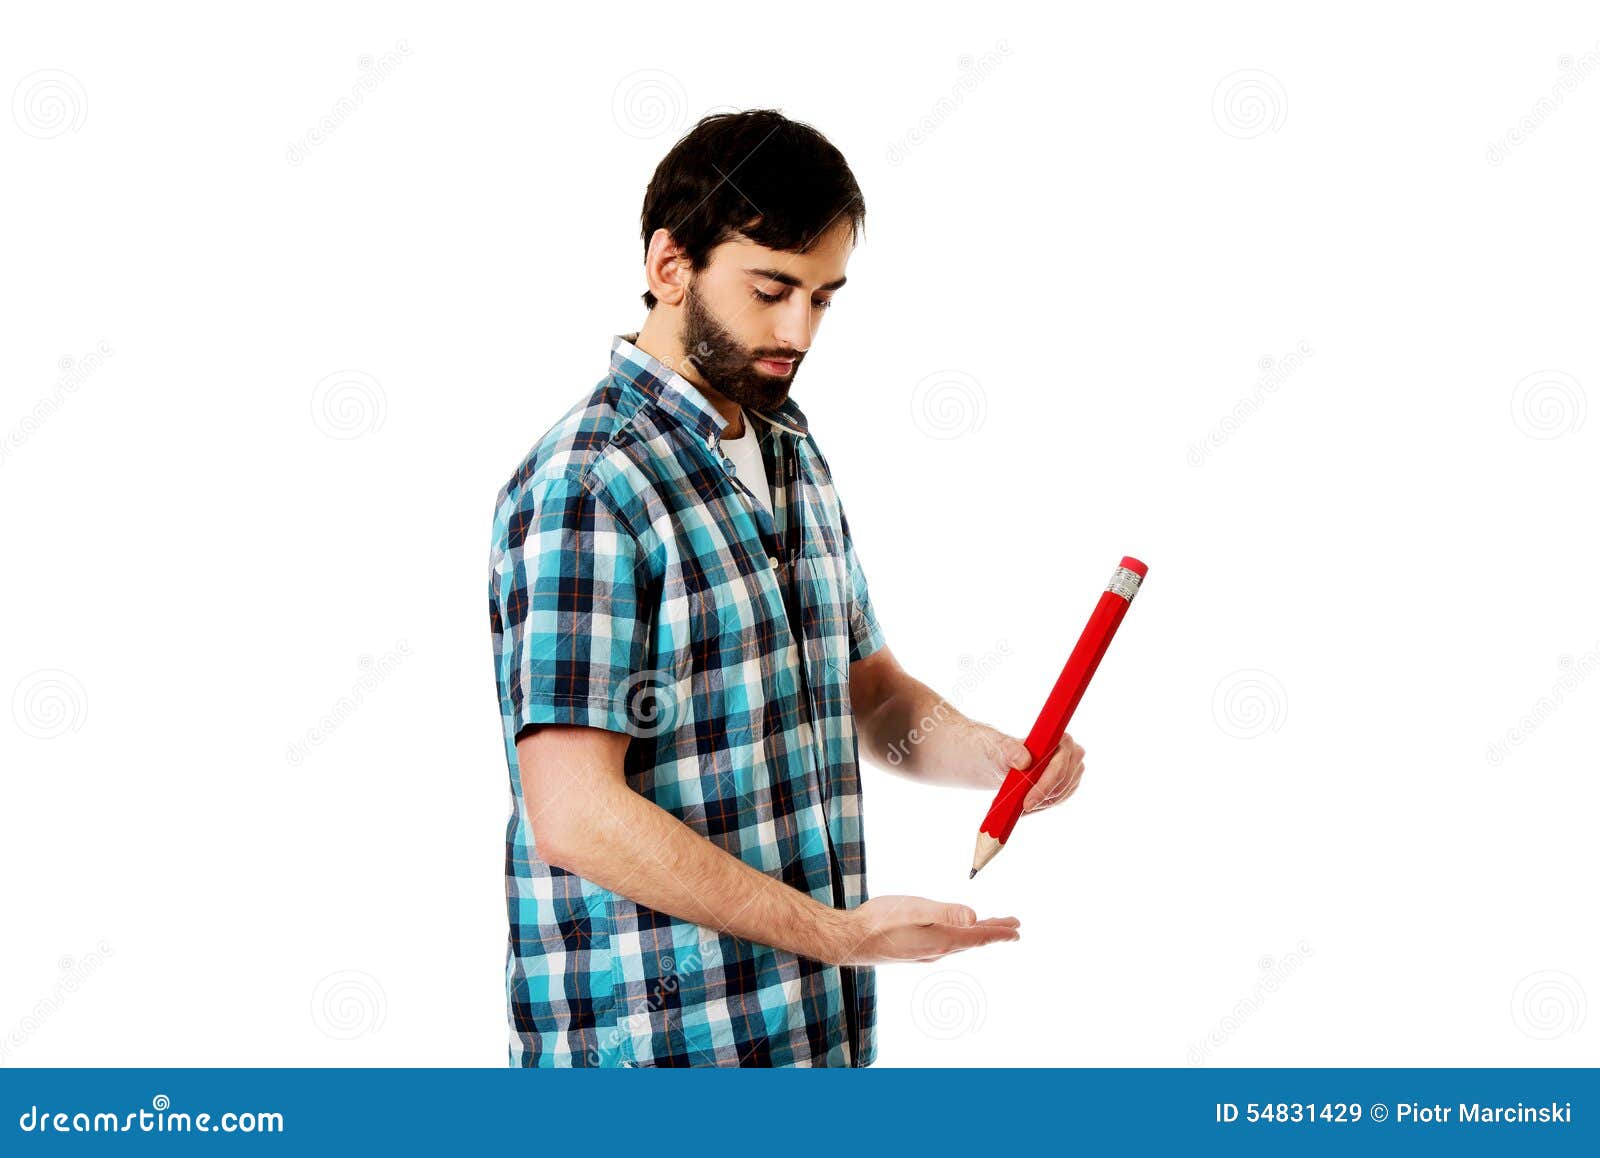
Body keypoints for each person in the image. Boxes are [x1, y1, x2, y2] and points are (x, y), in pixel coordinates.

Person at [487, 108, 1086, 1067]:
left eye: (824, 297)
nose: (798, 330)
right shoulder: (589, 485)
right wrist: (843, 936)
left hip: (811, 1041)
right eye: (771, 290)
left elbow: (871, 695)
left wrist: (993, 757)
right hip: (661, 1055)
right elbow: (574, 812)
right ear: (669, 265)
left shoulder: (787, 449)